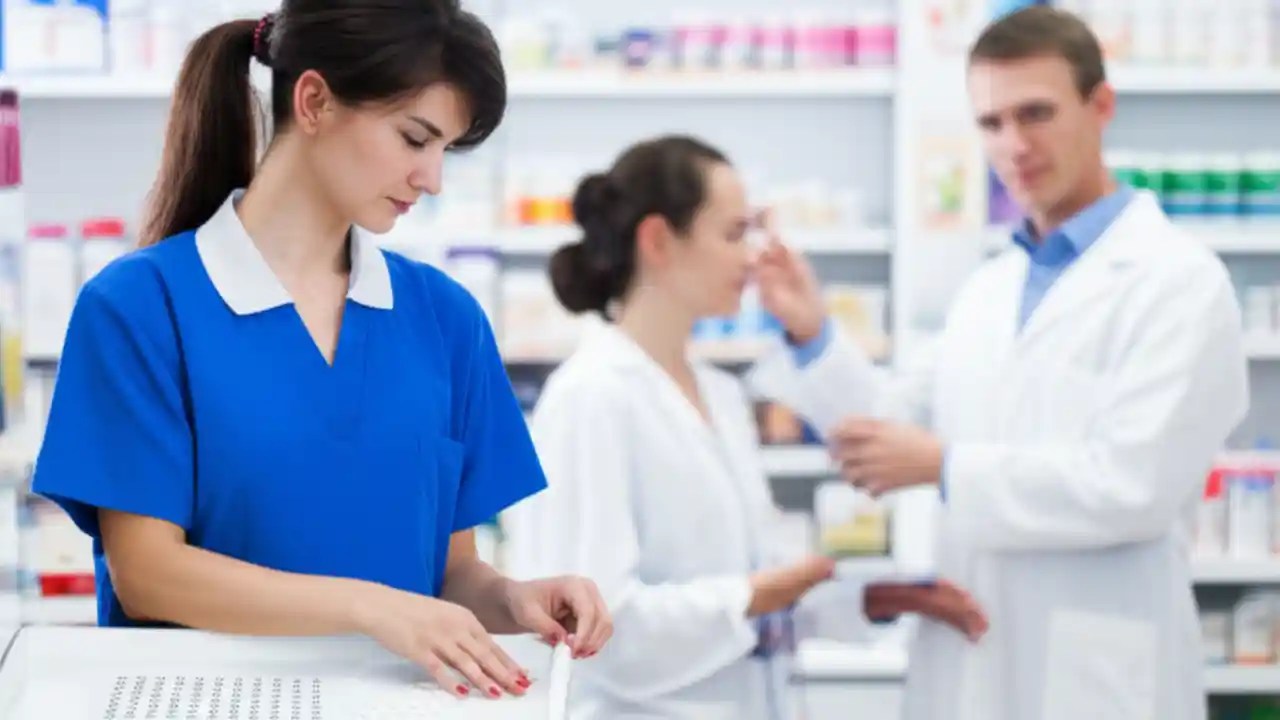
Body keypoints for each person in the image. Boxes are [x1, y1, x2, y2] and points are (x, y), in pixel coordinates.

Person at [30, 0, 611, 700]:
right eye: (414, 138)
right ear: (313, 101)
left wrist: (513, 601)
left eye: (445, 151)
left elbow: (451, 574)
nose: (432, 179)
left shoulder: (444, 318)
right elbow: (150, 575)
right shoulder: (140, 307)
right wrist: (369, 608)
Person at [751, 7, 1248, 720]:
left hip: (1098, 669)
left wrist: (946, 467)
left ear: (1100, 106)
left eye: (1036, 113)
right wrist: (811, 332)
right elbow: (890, 427)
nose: (1013, 144)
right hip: (974, 652)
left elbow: (1134, 484)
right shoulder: (989, 288)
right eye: (991, 123)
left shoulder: (1178, 282)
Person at [502, 135, 988, 720]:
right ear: (658, 240)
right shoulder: (592, 397)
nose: (753, 256)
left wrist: (869, 600)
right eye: (734, 234)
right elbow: (594, 631)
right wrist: (756, 595)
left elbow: (746, 602)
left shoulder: (722, 393)